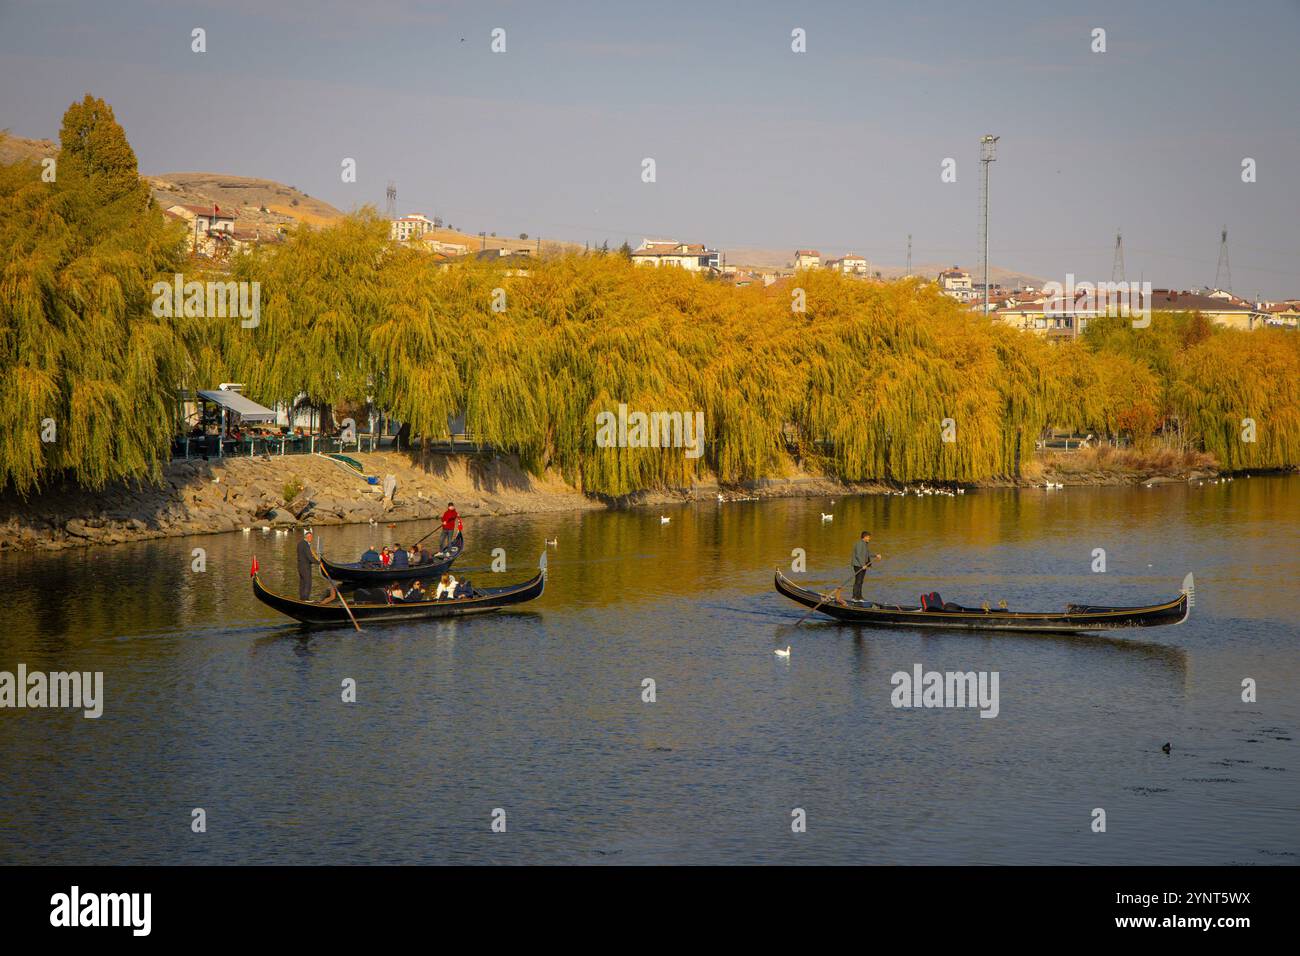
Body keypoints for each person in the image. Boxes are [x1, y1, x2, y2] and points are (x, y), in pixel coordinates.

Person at [850, 530, 882, 602]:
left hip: (863, 565)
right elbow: (858, 555)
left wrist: (875, 555)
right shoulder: (859, 544)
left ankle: (859, 597)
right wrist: (862, 565)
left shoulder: (865, 544)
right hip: (858, 565)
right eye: (868, 537)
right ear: (864, 537)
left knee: (861, 581)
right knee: (858, 581)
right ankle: (854, 597)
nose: (869, 538)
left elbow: (867, 553)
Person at [297, 529, 316, 601]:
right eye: (311, 537)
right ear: (308, 537)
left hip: (300, 566)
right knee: (308, 582)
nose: (311, 539)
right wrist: (319, 562)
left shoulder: (300, 543)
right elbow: (309, 557)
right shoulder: (306, 545)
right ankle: (306, 599)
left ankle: (302, 598)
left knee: (302, 582)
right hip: (305, 567)